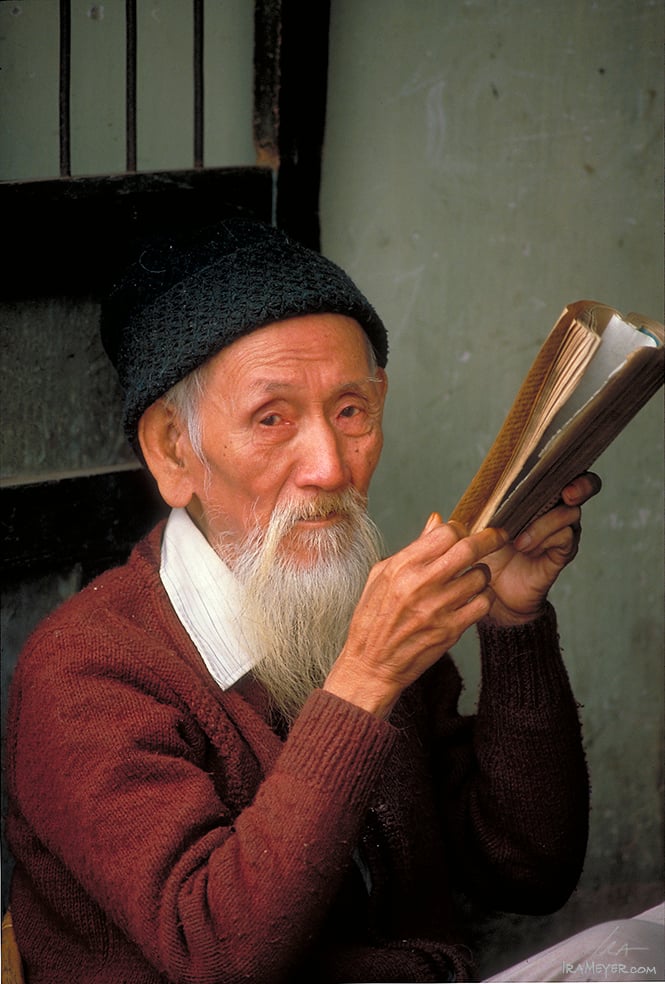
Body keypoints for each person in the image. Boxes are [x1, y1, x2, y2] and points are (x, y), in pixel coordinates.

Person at [3, 217, 645, 984]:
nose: (330, 468)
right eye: (271, 419)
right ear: (174, 451)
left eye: (350, 412)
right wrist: (364, 680)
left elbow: (526, 870)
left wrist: (513, 621)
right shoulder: (87, 671)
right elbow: (216, 955)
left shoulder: (350, 600)